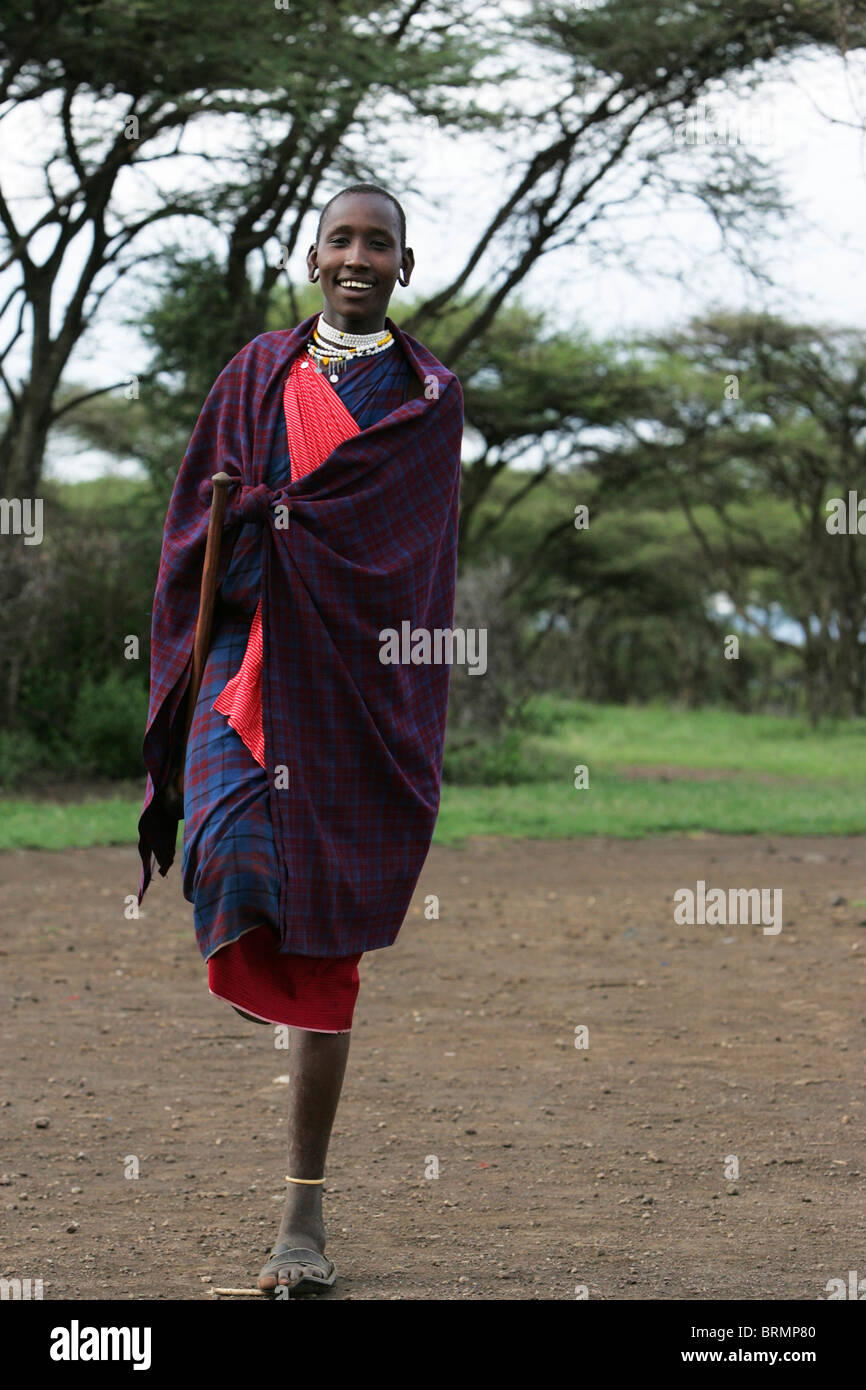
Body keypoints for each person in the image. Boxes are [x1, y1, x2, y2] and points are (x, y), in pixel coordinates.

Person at [137, 184, 464, 1297]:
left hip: (357, 691)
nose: (357, 256)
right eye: (341, 239)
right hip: (250, 658)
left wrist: (298, 526)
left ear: (404, 265)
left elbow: (405, 557)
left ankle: (300, 1223)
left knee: (326, 949)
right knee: (228, 855)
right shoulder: (257, 373)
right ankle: (251, 943)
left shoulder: (428, 399)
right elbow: (193, 519)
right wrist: (247, 522)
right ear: (313, 256)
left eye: (378, 242)